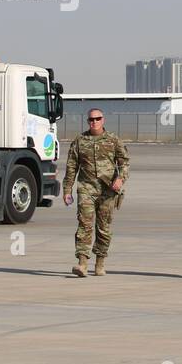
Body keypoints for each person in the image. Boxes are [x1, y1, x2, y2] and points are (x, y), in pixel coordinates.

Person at [61, 109, 130, 277]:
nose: (94, 122)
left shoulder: (113, 140)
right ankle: (82, 263)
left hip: (108, 190)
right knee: (84, 224)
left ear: (103, 120)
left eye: (97, 119)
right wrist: (67, 190)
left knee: (104, 228)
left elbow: (124, 162)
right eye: (91, 119)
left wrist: (121, 179)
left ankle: (100, 262)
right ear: (88, 121)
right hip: (87, 188)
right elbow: (71, 167)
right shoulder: (80, 141)